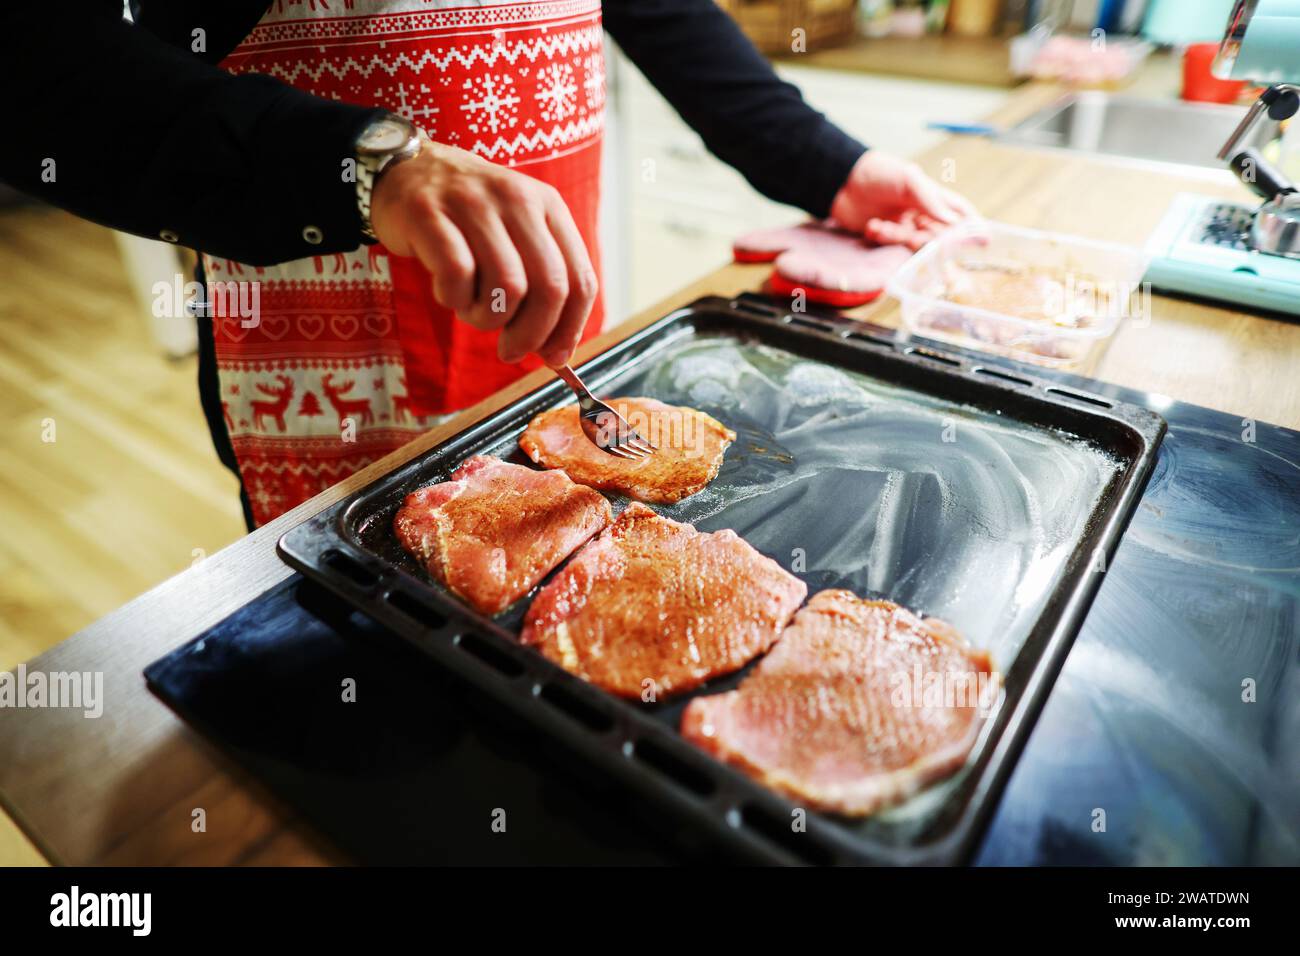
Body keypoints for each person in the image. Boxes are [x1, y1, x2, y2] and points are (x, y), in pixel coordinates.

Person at [1, 1, 975, 527]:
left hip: (539, 311)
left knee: (566, 541)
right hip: (323, 334)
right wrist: (361, 163)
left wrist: (828, 164)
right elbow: (33, 59)